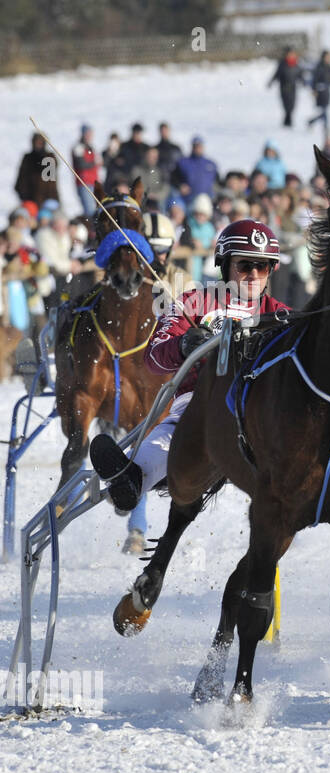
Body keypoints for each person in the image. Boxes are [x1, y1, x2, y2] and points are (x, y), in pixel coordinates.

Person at [89, 219, 290, 512]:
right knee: (169, 437)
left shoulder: (283, 315)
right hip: (199, 410)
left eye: (263, 266)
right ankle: (131, 479)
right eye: (245, 265)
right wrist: (183, 346)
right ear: (225, 264)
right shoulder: (195, 302)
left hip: (263, 416)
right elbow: (154, 357)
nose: (254, 275)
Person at [15, 134, 60, 208]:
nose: (38, 145)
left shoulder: (50, 157)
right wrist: (23, 195)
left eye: (40, 143)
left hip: (49, 199)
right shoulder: (27, 158)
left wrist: (41, 156)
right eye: (36, 142)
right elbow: (21, 178)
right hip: (30, 199)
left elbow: (50, 173)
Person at [269, 47, 303, 128]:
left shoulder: (296, 64)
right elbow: (277, 74)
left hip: (293, 87)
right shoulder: (282, 64)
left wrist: (303, 81)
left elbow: (300, 74)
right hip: (284, 87)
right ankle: (288, 121)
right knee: (286, 105)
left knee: (292, 104)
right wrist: (271, 82)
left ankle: (288, 119)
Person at [70, 125, 100, 218]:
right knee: (90, 211)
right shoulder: (78, 148)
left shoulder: (91, 148)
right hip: (84, 183)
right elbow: (80, 165)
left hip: (94, 183)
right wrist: (94, 163)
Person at [308, 51, 330, 131]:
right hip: (320, 91)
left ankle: (312, 121)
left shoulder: (328, 66)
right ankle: (326, 127)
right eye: (328, 57)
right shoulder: (319, 67)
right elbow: (314, 79)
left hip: (327, 91)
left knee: (324, 111)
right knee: (324, 111)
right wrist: (314, 90)